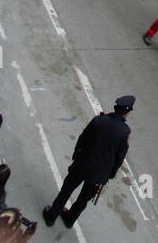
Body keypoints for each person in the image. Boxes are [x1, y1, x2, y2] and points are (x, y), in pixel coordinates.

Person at [43, 96, 134, 229]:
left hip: (82, 164)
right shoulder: (125, 132)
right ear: (126, 112)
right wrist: (110, 174)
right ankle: (70, 219)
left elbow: (83, 138)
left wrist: (76, 155)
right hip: (99, 174)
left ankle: (52, 215)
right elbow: (119, 157)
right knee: (83, 199)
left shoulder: (99, 120)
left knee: (66, 190)